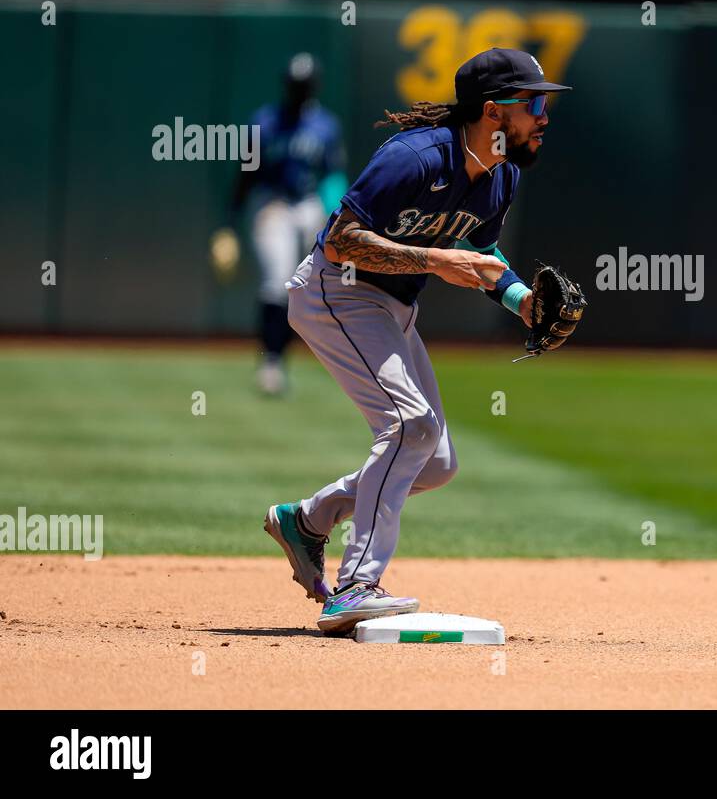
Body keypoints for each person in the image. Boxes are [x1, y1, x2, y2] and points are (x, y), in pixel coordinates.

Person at [262, 47, 570, 636]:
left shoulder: (499, 175)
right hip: (335, 291)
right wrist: (431, 258)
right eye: (535, 103)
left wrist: (522, 300)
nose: (544, 116)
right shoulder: (413, 157)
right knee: (412, 427)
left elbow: (479, 255)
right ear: (493, 111)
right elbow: (340, 242)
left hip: (391, 306)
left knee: (437, 461)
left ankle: (307, 521)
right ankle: (355, 586)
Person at [227, 53, 347, 395]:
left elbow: (333, 175)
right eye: (296, 85)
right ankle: (271, 364)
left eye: (305, 86)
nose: (299, 91)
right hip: (273, 204)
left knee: (311, 284)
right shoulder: (264, 122)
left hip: (309, 204)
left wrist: (336, 215)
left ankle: (315, 356)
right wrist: (230, 221)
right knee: (277, 282)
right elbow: (246, 174)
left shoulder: (326, 125)